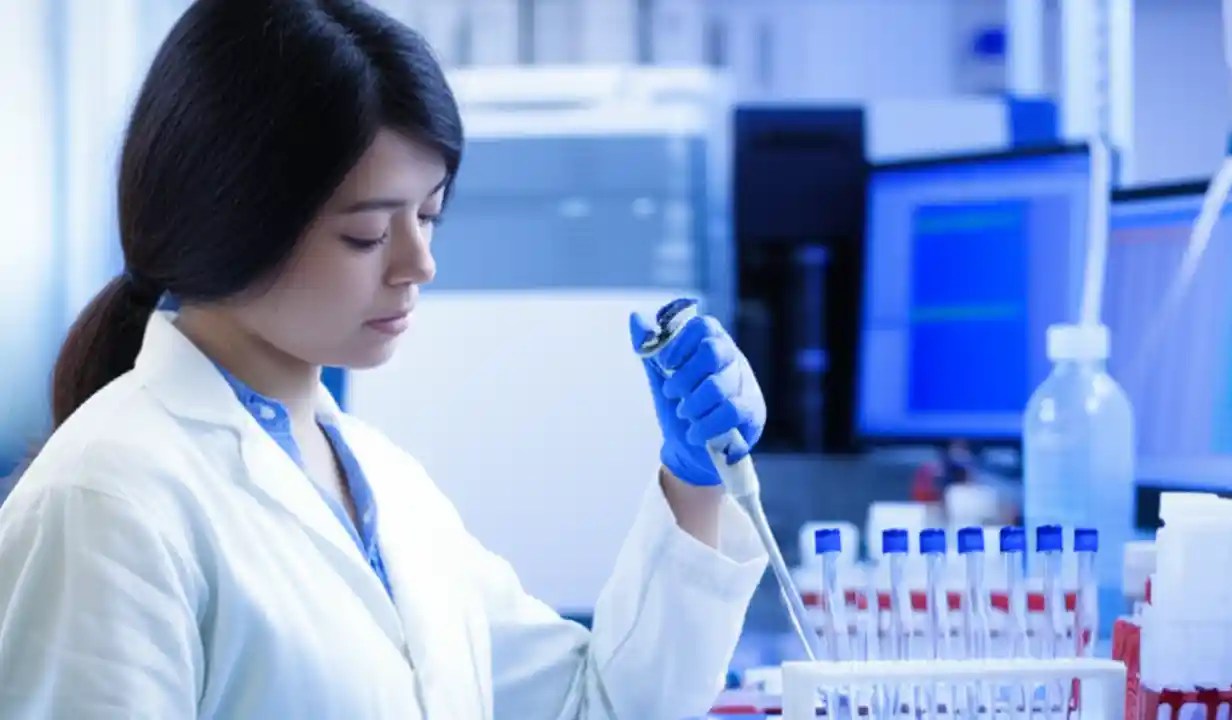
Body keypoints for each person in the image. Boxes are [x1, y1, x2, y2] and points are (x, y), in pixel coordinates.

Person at [0, 1, 770, 718]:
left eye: (430, 215)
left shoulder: (390, 490)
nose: (418, 264)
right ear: (233, 218)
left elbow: (590, 701)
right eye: (367, 234)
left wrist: (691, 485)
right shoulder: (105, 501)